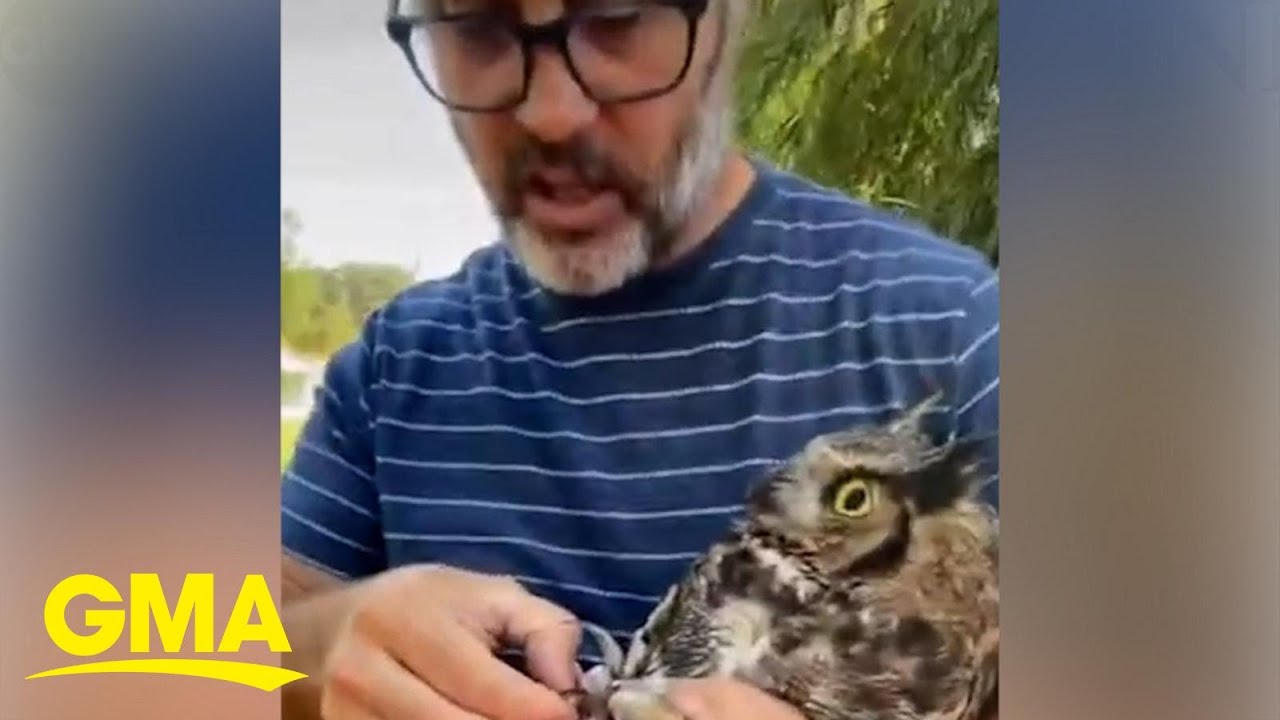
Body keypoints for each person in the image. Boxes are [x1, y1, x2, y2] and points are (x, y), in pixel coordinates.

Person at [279, 1, 999, 719]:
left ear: (730, 21)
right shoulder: (395, 367)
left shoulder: (958, 333)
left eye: (617, 19)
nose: (551, 114)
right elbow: (209, 646)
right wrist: (310, 654)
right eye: (478, 28)